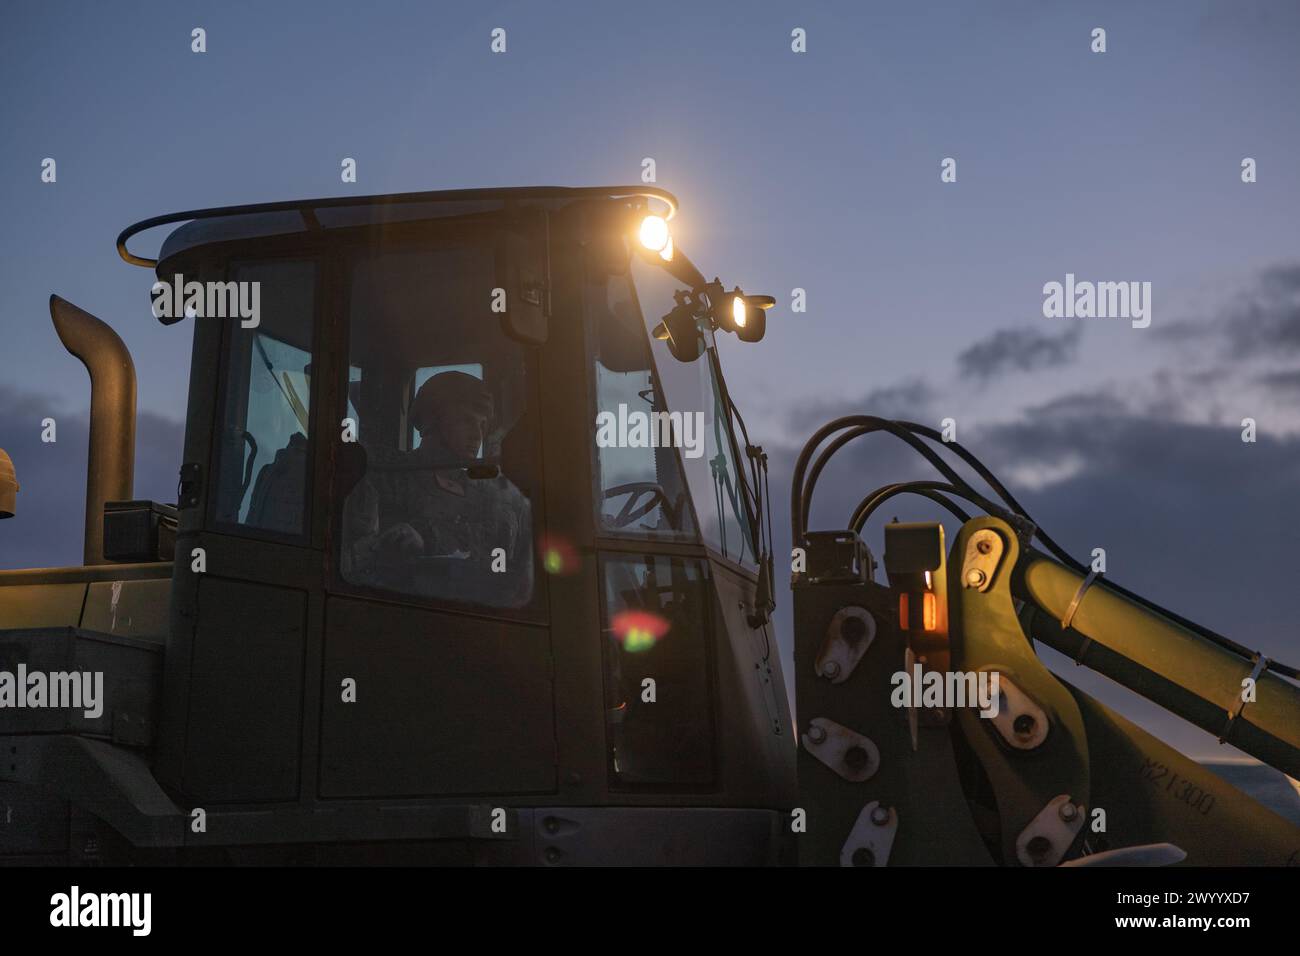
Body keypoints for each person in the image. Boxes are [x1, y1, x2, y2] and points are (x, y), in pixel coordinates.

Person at [342, 370, 533, 608]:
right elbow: (357, 559)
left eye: (483, 425)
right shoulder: (388, 476)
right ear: (432, 419)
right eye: (466, 420)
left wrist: (429, 537)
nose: (477, 435)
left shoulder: (488, 494)